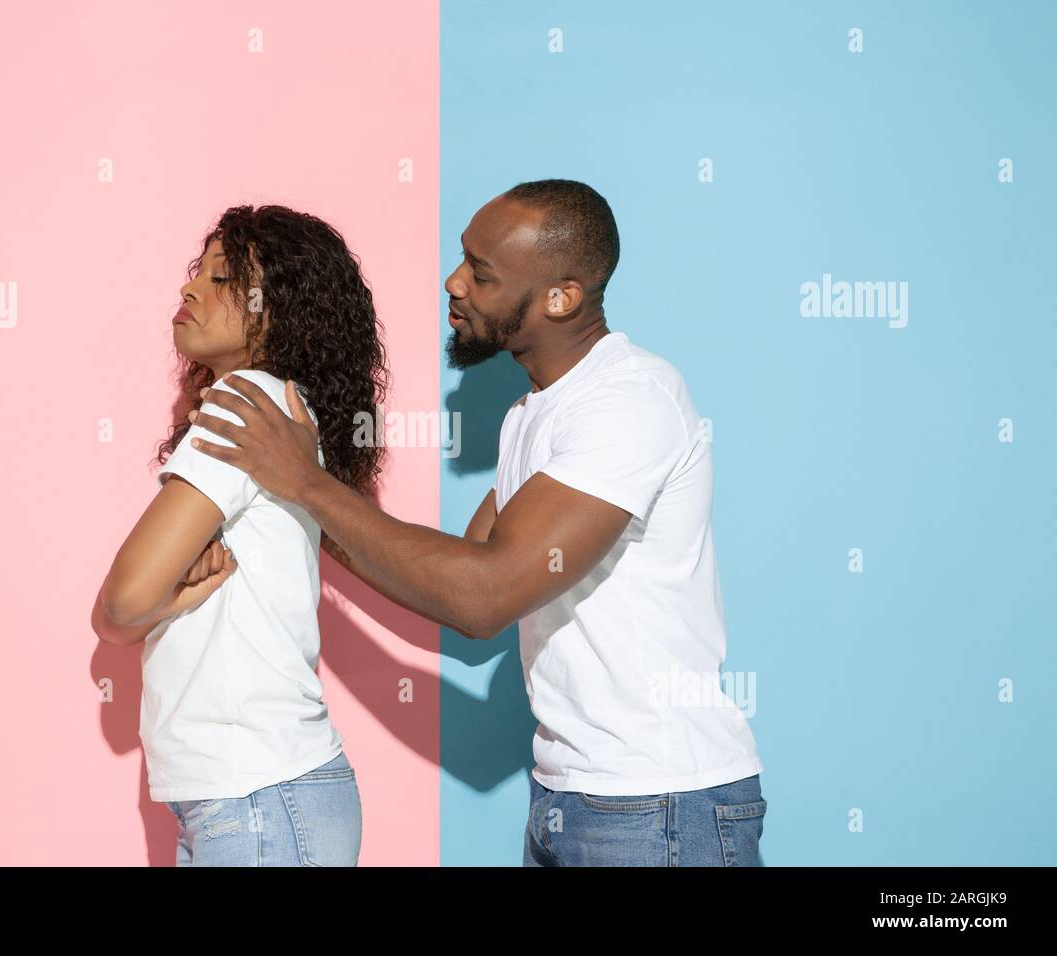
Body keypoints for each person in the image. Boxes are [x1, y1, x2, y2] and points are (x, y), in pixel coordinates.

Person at [188, 179, 768, 866]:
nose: (453, 282)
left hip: (659, 804)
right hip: (571, 797)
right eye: (462, 258)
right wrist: (283, 504)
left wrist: (305, 482)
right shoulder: (533, 415)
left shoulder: (628, 401)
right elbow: (451, 572)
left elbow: (483, 598)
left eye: (481, 274)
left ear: (562, 297)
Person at [91, 203, 388, 867]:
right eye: (199, 271)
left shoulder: (245, 404)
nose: (190, 288)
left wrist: (164, 601)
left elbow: (120, 604)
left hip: (257, 798)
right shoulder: (274, 408)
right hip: (257, 799)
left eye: (223, 278)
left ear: (278, 309)